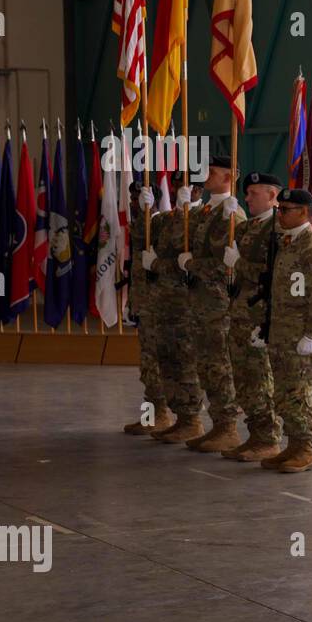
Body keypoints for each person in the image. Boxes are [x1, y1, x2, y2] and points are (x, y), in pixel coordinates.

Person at [260, 188, 312, 474]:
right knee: (284, 390)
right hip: (281, 332)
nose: (280, 214)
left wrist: (310, 334)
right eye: (279, 209)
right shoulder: (287, 243)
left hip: (300, 334)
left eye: (286, 209)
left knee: (299, 391)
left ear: (304, 211)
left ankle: (305, 449)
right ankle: (292, 444)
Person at [178, 162, 245, 454]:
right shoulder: (208, 210)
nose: (204, 175)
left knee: (219, 367)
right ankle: (217, 425)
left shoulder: (232, 215)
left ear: (228, 177)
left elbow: (223, 266)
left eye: (212, 172)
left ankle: (228, 427)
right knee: (206, 365)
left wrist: (191, 264)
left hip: (218, 303)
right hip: (201, 302)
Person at [220, 172, 284, 462]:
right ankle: (255, 435)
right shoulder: (247, 228)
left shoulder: (278, 229)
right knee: (243, 378)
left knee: (259, 378)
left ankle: (269, 438)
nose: (247, 198)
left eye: (253, 193)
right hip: (240, 313)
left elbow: (272, 274)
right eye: (246, 193)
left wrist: (240, 264)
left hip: (259, 316)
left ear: (272, 196)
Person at [142, 171, 206, 443]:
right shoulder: (169, 218)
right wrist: (148, 211)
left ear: (199, 191)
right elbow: (143, 238)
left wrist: (183, 213)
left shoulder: (204, 218)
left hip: (187, 303)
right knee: (165, 361)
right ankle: (177, 416)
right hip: (163, 302)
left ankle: (192, 420)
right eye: (178, 184)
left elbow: (184, 249)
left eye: (188, 185)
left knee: (186, 364)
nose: (181, 189)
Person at [123, 179, 171, 435]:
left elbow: (154, 245)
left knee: (154, 365)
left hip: (160, 305)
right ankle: (152, 414)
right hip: (145, 304)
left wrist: (149, 213)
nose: (133, 205)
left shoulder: (164, 224)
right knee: (147, 365)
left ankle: (161, 415)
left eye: (138, 200)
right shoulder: (141, 225)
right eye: (133, 201)